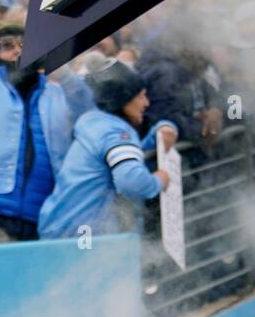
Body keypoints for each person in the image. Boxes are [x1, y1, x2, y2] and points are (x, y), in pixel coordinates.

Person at [0, 26, 71, 243]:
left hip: (48, 211)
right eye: (8, 46)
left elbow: (87, 107)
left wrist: (65, 73)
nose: (18, 52)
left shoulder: (56, 92)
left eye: (25, 46)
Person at [37, 58, 174, 240]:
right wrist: (158, 181)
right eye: (140, 96)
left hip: (62, 229)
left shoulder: (98, 125)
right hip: (86, 234)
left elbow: (119, 157)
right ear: (122, 99)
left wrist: (157, 134)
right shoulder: (115, 132)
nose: (146, 103)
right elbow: (131, 181)